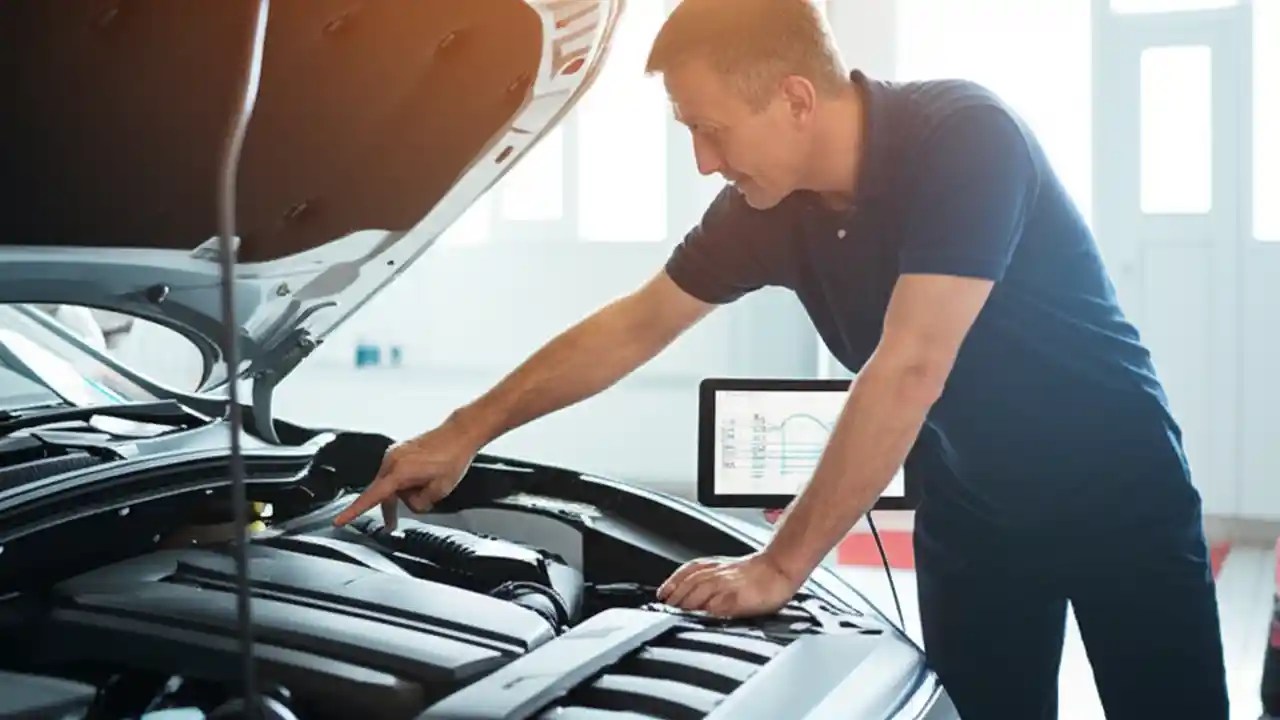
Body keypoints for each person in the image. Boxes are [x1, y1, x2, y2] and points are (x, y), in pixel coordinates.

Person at [334, 0, 1229, 716]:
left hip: (1118, 494)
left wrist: (780, 565)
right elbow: (637, 324)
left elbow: (912, 365)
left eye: (712, 129)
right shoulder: (769, 207)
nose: (703, 160)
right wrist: (462, 431)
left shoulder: (965, 140)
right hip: (976, 509)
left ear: (797, 98)